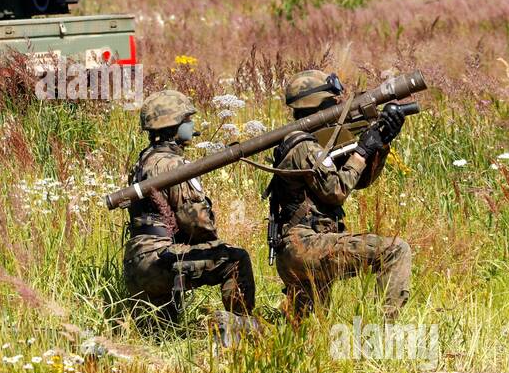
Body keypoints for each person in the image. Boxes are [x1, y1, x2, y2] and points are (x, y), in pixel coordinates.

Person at [267, 70, 412, 321]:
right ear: (319, 104)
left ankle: (243, 330)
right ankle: (388, 333)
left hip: (306, 245)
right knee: (394, 250)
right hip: (305, 245)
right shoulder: (303, 145)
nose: (338, 105)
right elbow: (337, 191)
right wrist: (363, 151)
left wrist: (382, 143)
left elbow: (361, 181)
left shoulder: (316, 142)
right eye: (333, 101)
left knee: (304, 329)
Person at [123, 89, 256, 338]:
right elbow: (197, 224)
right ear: (174, 126)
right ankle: (238, 332)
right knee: (235, 259)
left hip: (136, 261)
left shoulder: (143, 160)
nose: (191, 125)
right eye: (187, 120)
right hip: (160, 260)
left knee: (162, 338)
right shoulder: (175, 166)